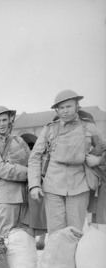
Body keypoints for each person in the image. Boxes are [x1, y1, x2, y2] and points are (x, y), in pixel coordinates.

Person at [28, 90, 106, 233]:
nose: (65, 111)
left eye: (69, 106)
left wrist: (99, 159)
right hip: (52, 186)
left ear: (77, 106)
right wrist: (34, 185)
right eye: (61, 108)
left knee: (75, 232)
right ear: (57, 110)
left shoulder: (89, 127)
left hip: (79, 186)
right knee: (56, 233)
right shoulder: (49, 129)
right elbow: (35, 157)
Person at [0, 106, 41, 240]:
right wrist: (29, 172)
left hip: (26, 195)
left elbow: (32, 160)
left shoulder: (19, 141)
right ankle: (1, 261)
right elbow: (0, 169)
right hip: (6, 197)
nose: (2, 124)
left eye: (5, 120)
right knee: (5, 236)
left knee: (27, 236)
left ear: (10, 121)